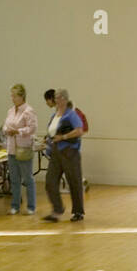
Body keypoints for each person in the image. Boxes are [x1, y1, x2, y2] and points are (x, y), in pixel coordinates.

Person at [43, 88, 84, 222]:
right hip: (56, 152)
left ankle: (78, 212)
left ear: (65, 99)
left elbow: (79, 131)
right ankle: (57, 209)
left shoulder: (71, 115)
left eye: (60, 97)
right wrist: (48, 140)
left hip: (69, 152)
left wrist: (64, 137)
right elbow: (52, 133)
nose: (57, 100)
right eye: (56, 97)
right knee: (50, 181)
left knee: (74, 182)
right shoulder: (54, 116)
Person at [3, 83, 38, 215]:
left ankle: (31, 206)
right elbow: (5, 126)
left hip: (24, 148)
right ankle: (15, 205)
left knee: (28, 179)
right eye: (11, 96)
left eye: (14, 96)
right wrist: (7, 130)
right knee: (14, 179)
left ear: (22, 96)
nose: (12, 98)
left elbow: (32, 128)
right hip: (11, 149)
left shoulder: (28, 111)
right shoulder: (10, 111)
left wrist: (18, 131)